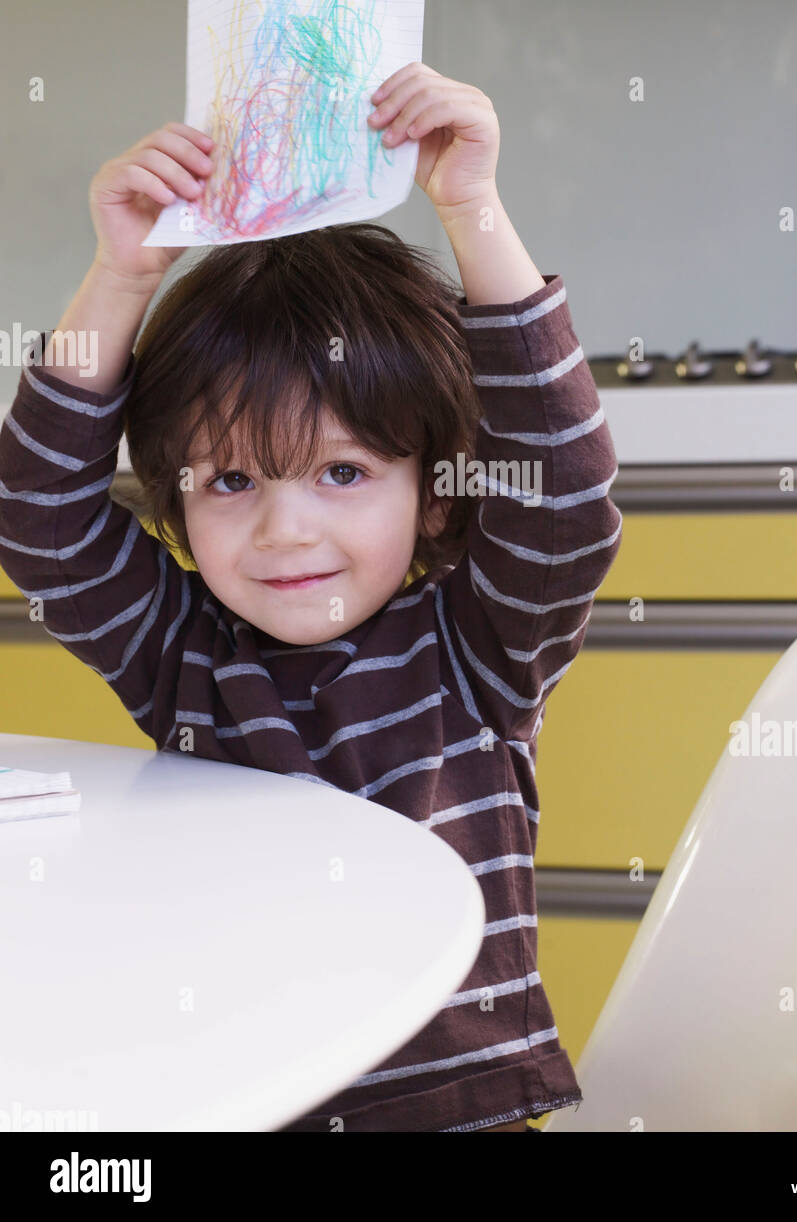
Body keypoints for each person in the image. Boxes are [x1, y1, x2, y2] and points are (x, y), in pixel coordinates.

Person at [0, 64, 623, 1132]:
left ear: (435, 495)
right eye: (232, 481)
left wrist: (470, 207)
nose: (285, 531)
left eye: (343, 474)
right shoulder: (185, 652)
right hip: (244, 1104)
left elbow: (563, 491)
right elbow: (37, 514)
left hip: (459, 1116)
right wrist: (120, 275)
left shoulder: (476, 651)